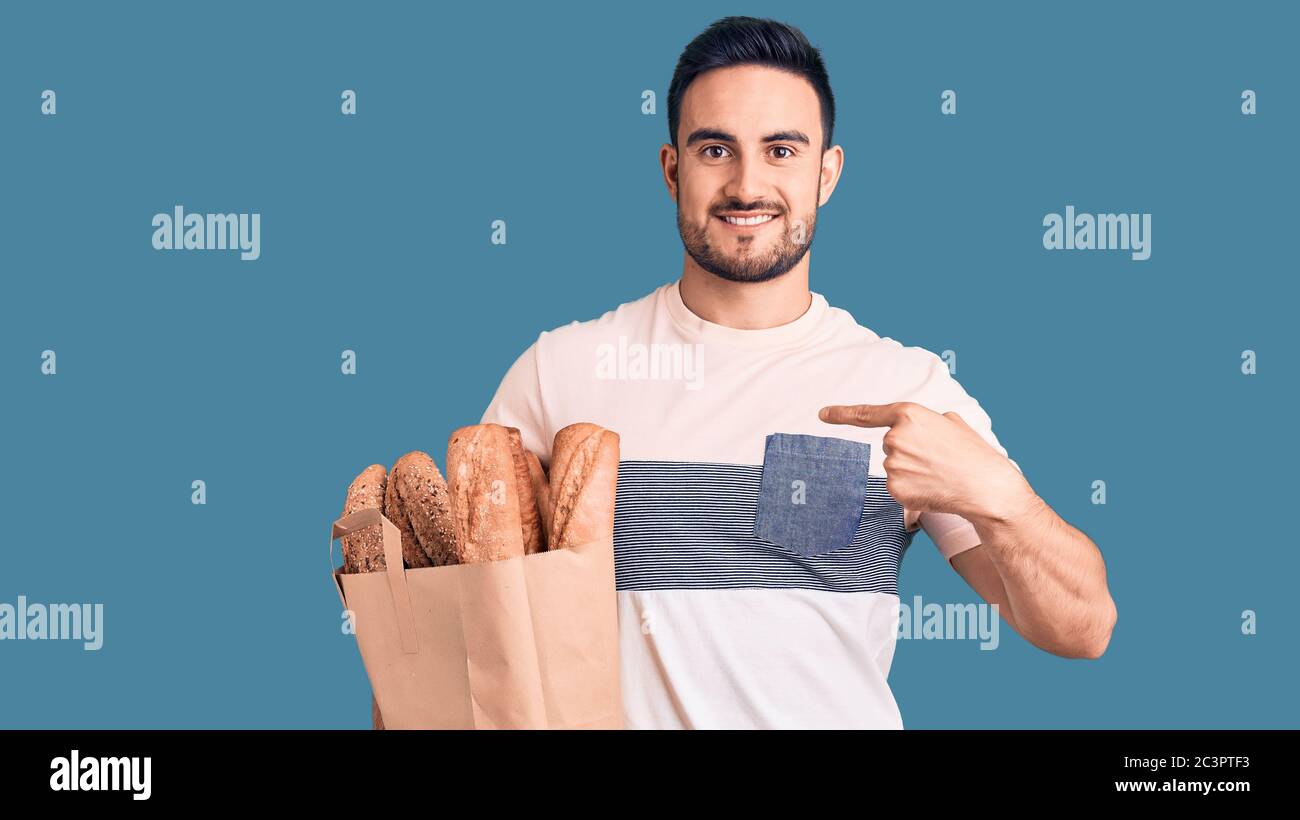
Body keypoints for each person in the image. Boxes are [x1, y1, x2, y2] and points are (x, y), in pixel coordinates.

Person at [478, 16, 1117, 729]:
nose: (747, 185)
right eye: (715, 148)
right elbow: (472, 632)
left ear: (827, 173)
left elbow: (1082, 628)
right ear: (671, 171)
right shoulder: (561, 373)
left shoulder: (906, 388)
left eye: (781, 150)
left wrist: (997, 493)